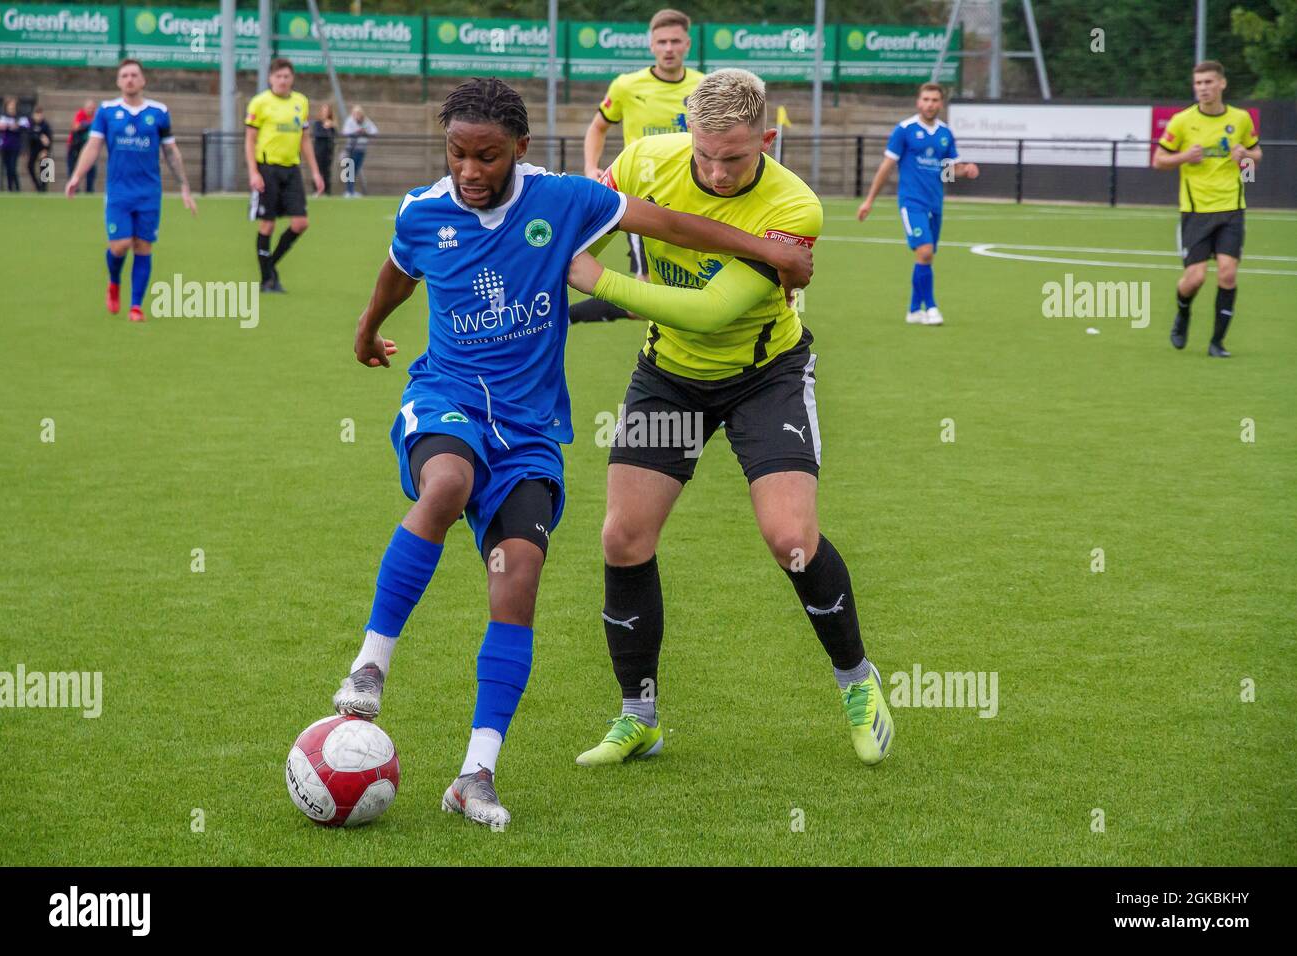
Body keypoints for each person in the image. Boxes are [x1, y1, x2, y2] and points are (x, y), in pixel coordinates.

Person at [330, 77, 811, 829]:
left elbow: (674, 224)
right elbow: (399, 269)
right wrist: (365, 330)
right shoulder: (424, 213)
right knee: (447, 482)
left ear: (519, 150)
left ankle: (476, 774)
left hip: (529, 432)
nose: (469, 170)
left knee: (516, 578)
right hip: (447, 399)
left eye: (487, 156)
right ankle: (369, 666)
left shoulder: (563, 200)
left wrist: (771, 253)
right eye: (457, 154)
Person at [560, 68, 895, 771]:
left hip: (764, 378)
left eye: (734, 157)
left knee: (791, 539)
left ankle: (856, 681)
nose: (714, 171)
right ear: (687, 132)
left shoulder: (794, 207)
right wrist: (572, 256)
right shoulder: (644, 161)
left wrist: (596, 282)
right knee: (623, 537)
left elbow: (711, 311)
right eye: (703, 154)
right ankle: (638, 717)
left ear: (766, 140)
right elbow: (576, 227)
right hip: (668, 379)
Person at [572, 8, 705, 322]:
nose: (668, 48)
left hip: (695, 195)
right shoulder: (627, 86)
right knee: (648, 289)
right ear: (651, 46)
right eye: (662, 42)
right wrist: (592, 166)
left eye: (675, 41)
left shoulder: (704, 86)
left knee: (681, 287)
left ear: (688, 44)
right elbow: (597, 127)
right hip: (643, 196)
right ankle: (566, 315)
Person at [65, 60, 199, 323]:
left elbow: (170, 151)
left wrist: (184, 185)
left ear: (143, 80)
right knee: (120, 245)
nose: (129, 79)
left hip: (149, 192)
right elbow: (93, 146)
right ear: (118, 81)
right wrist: (76, 176)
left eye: (134, 75)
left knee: (143, 246)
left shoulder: (159, 112)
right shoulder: (107, 111)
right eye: (124, 75)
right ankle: (114, 282)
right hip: (118, 191)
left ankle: (136, 306)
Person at [1153, 60, 1261, 358]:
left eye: (1208, 82)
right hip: (1195, 211)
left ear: (1222, 84)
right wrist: (1185, 156)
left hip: (1231, 210)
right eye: (1198, 83)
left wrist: (1245, 157)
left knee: (1227, 274)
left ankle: (1217, 343)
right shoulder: (1181, 121)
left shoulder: (1240, 119)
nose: (1203, 89)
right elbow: (1159, 160)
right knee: (1195, 279)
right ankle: (1183, 313)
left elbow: (1254, 158)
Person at [856, 82, 978, 326]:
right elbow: (887, 166)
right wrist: (869, 200)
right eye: (925, 99)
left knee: (926, 256)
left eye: (934, 100)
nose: (929, 104)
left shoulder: (945, 133)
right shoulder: (905, 130)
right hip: (912, 202)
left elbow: (948, 170)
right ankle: (931, 307)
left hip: (936, 204)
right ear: (918, 102)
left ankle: (914, 310)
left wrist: (965, 170)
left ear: (941, 104)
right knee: (925, 252)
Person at [244, 58, 324, 293]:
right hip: (267, 169)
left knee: (301, 223)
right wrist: (253, 172)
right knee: (267, 224)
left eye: (286, 76)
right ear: (270, 78)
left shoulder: (301, 102)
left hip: (292, 170)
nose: (282, 80)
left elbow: (305, 139)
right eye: (278, 76)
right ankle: (267, 279)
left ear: (292, 78)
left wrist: (316, 172)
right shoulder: (259, 103)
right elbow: (249, 140)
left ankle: (269, 267)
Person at [341, 105, 377, 198]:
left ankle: (351, 191)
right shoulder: (350, 121)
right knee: (350, 170)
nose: (356, 115)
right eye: (355, 113)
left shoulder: (366, 121)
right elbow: (345, 132)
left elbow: (374, 131)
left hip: (361, 149)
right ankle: (349, 191)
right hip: (352, 149)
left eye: (358, 113)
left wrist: (365, 132)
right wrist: (356, 132)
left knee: (355, 170)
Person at [67, 98, 98, 193]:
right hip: (75, 146)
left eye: (93, 108)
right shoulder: (81, 114)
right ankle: (74, 189)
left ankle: (89, 190)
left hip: (88, 147)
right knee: (73, 168)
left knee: (91, 169)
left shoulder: (96, 117)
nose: (91, 110)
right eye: (89, 108)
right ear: (85, 108)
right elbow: (76, 127)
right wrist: (87, 124)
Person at [0, 98, 26, 192]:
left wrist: (16, 126)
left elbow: (25, 127)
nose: (11, 108)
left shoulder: (20, 118)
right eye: (10, 107)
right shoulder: (3, 117)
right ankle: (10, 188)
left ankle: (17, 187)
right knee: (7, 168)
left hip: (15, 146)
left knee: (12, 167)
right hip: (5, 146)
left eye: (13, 107)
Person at [311, 102, 337, 195]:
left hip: (328, 150)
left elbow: (334, 135)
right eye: (324, 110)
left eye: (327, 111)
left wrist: (331, 127)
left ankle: (327, 191)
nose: (325, 112)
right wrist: (325, 128)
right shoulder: (318, 123)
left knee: (327, 171)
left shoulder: (331, 124)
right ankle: (316, 190)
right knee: (318, 170)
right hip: (319, 150)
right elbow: (317, 134)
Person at [26, 106, 52, 192]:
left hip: (43, 149)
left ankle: (43, 188)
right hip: (33, 149)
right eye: (37, 115)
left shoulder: (46, 125)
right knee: (30, 166)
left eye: (40, 115)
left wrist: (46, 150)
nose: (39, 117)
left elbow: (49, 139)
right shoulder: (30, 124)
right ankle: (37, 186)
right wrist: (40, 137)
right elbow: (29, 136)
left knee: (45, 166)